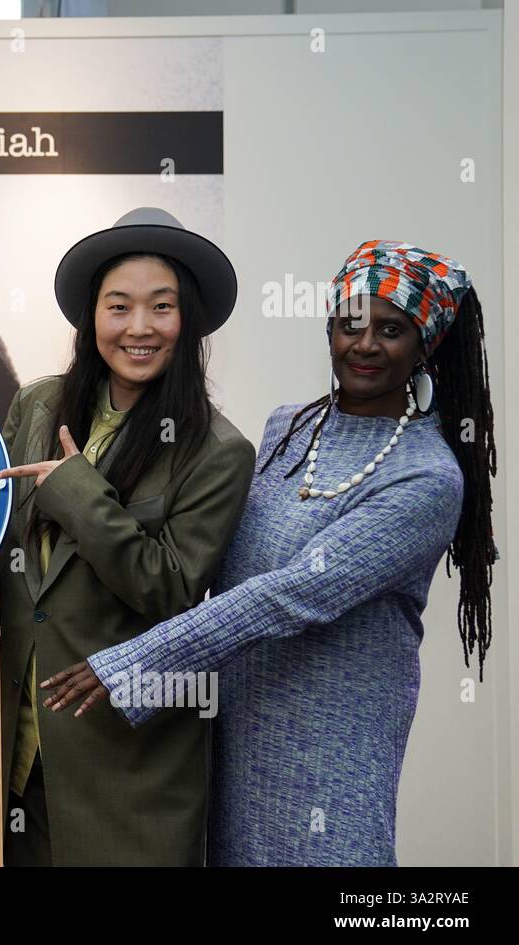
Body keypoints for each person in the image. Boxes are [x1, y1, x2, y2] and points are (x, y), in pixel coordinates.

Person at [47, 240, 496, 866]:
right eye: (350, 324)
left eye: (392, 330)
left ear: (427, 345)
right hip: (237, 734)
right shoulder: (290, 426)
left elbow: (288, 594)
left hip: (332, 753)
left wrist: (132, 665)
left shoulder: (426, 477)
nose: (365, 345)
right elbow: (209, 566)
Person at [0, 207, 256, 866]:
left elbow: (168, 588)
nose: (138, 328)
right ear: (90, 318)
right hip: (17, 745)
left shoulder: (217, 451)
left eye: (161, 308)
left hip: (127, 764)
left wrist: (75, 492)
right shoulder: (38, 403)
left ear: (187, 321)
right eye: (118, 306)